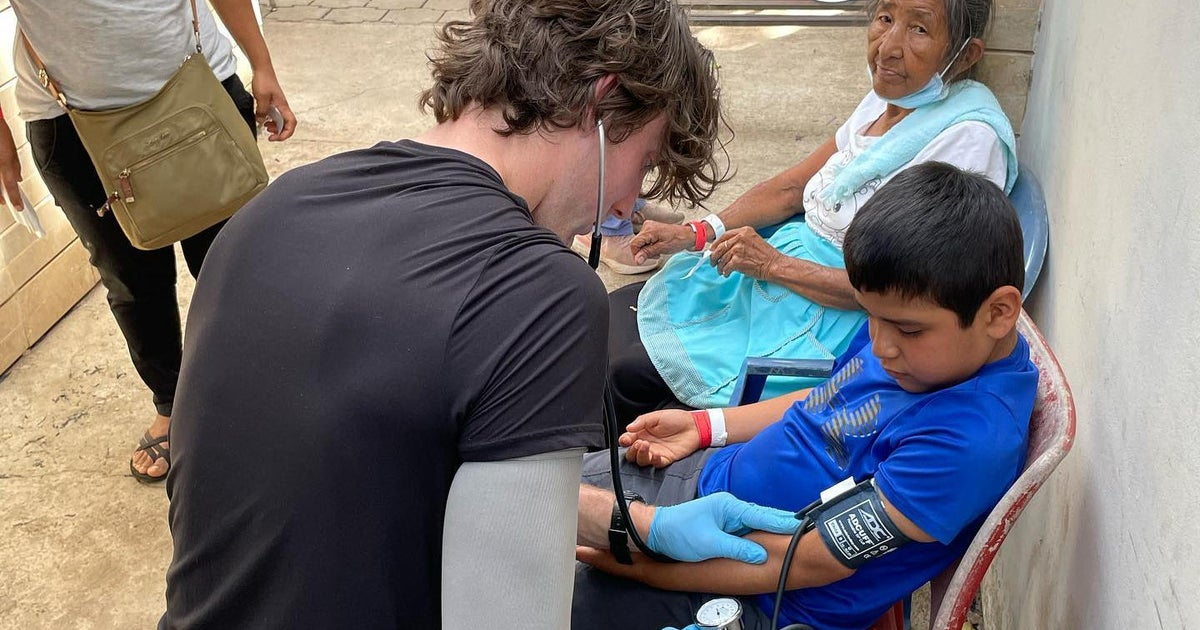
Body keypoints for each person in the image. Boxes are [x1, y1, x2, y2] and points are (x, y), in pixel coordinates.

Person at [160, 1, 731, 628]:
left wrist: (636, 524)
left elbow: (374, 474)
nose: (624, 205)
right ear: (602, 102)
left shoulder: (280, 206)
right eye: (643, 164)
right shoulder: (540, 294)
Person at [572, 163, 1039, 630]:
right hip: (705, 480)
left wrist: (643, 563)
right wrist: (706, 426)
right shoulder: (917, 344)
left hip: (746, 593)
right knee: (550, 491)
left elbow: (807, 561)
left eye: (907, 330)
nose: (879, 346)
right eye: (871, 316)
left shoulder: (969, 440)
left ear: (998, 313)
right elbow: (828, 395)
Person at [608, 0, 1019, 424]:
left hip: (827, 315)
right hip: (777, 279)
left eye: (919, 29)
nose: (888, 48)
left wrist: (773, 265)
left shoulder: (969, 142)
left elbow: (908, 291)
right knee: (611, 318)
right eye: (885, 18)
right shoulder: (886, 101)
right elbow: (792, 188)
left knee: (623, 374)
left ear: (965, 55)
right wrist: (698, 232)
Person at [0, 0, 297, 484]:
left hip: (197, 91)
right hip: (71, 120)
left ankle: (260, 391)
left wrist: (261, 63)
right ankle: (172, 403)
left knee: (236, 265)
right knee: (131, 281)